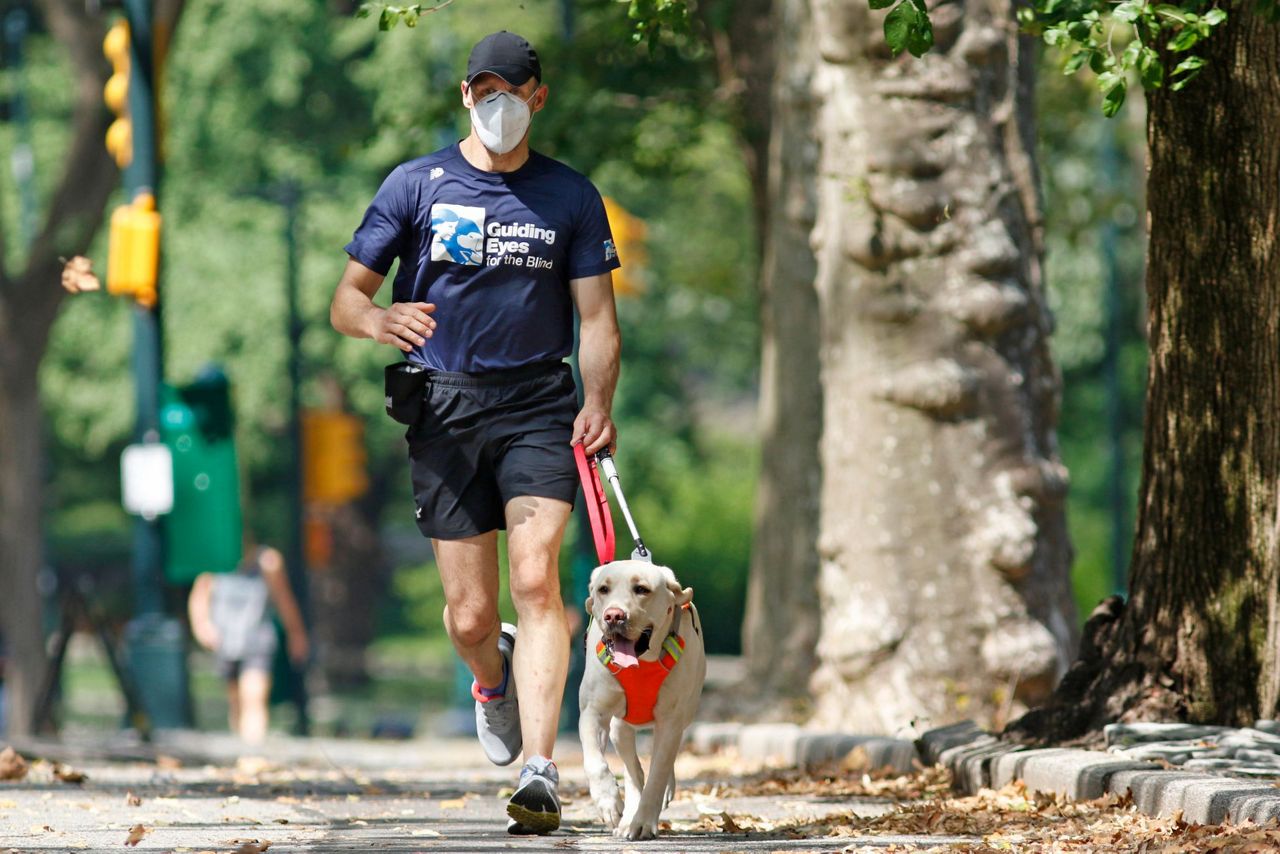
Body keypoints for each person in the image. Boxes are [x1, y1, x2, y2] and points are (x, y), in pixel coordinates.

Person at [330, 30, 621, 835]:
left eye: (512, 92)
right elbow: (346, 298)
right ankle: (491, 681)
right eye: (484, 90)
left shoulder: (570, 196)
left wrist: (598, 401)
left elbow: (598, 319)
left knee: (536, 579)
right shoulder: (415, 185)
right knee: (467, 616)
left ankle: (540, 770)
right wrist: (379, 319)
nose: (497, 105)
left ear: (537, 98)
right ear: (465, 95)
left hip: (538, 405)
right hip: (443, 410)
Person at [188, 540, 309, 743]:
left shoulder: (268, 561)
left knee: (254, 698)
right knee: (235, 701)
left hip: (257, 641)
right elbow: (200, 594)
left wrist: (296, 634)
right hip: (226, 642)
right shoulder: (214, 558)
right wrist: (202, 625)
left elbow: (283, 599)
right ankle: (242, 750)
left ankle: (253, 751)